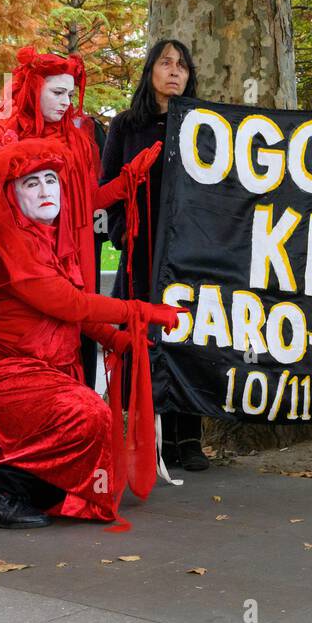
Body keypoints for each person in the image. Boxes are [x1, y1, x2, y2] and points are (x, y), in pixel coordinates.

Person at [0, 139, 181, 527]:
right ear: (10, 195)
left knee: (87, 440)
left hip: (45, 367)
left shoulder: (42, 236)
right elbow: (67, 303)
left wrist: (116, 339)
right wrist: (139, 311)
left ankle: (1, 481)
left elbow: (70, 305)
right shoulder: (8, 243)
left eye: (51, 180)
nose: (47, 190)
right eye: (31, 183)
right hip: (5, 371)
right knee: (87, 415)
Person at [0, 47, 160, 386]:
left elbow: (86, 203)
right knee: (24, 350)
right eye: (57, 92)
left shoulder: (76, 138)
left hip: (67, 256)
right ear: (33, 88)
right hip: (18, 260)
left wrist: (126, 182)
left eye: (70, 94)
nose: (66, 101)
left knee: (67, 343)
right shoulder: (2, 126)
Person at [100, 39, 208, 470]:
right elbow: (106, 187)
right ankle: (154, 436)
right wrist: (123, 234)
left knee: (190, 338)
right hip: (142, 253)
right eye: (166, 63)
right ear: (150, 72)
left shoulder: (204, 125)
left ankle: (189, 438)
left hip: (191, 254)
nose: (175, 71)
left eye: (182, 65)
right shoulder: (126, 126)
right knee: (143, 342)